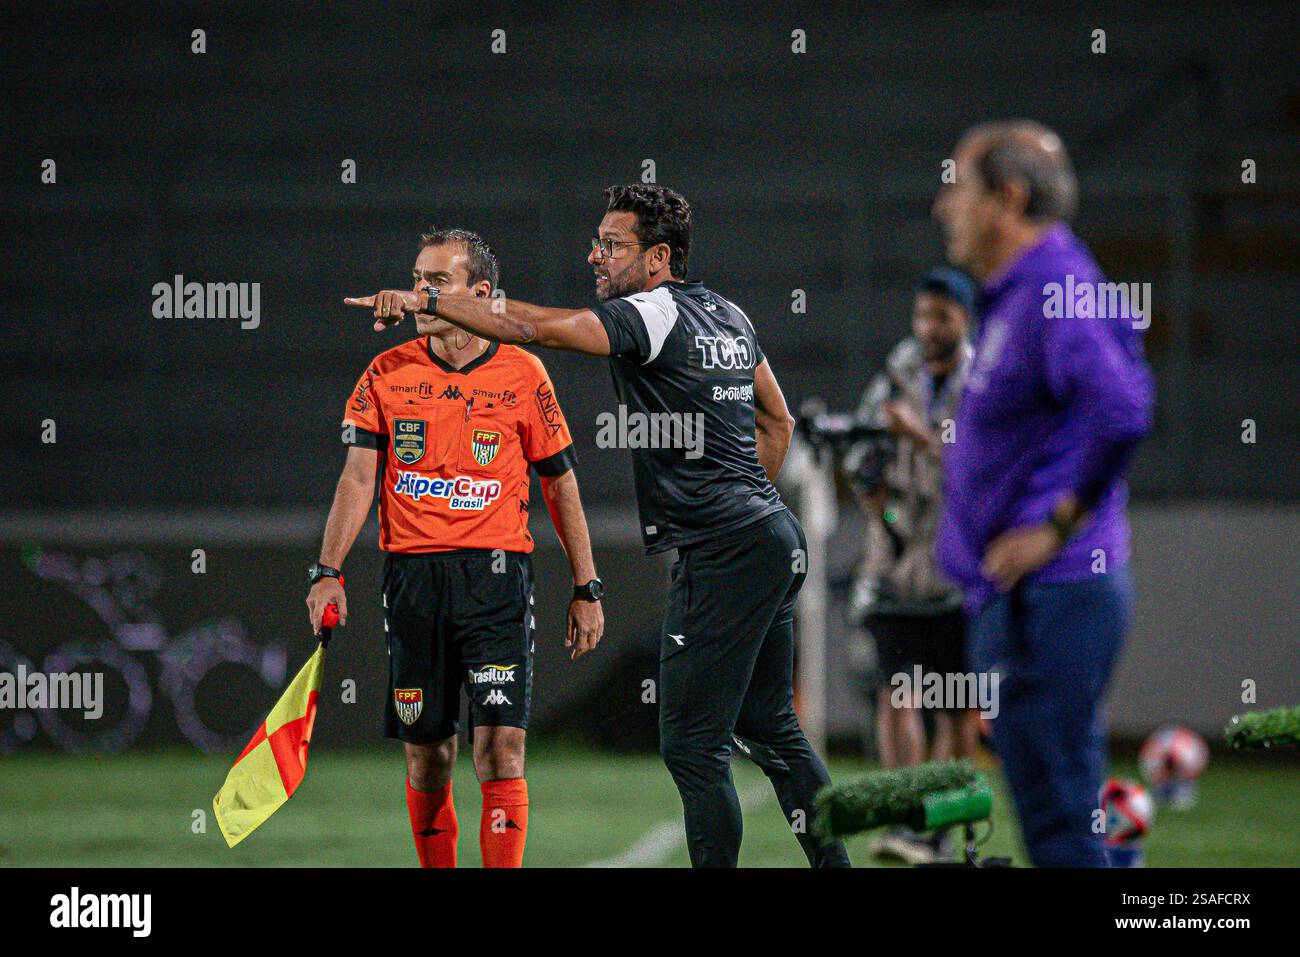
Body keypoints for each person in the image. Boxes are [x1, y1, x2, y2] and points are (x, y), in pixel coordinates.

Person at [345, 185, 850, 868]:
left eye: (611, 244)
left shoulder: (653, 311)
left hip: (727, 548)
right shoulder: (729, 314)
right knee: (771, 726)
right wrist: (744, 499)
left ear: (658, 257)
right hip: (772, 534)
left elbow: (535, 329)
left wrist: (428, 300)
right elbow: (778, 422)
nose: (595, 255)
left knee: (693, 746)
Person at [307, 228, 604, 868]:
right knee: (429, 753)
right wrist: (326, 571)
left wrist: (587, 585)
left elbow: (561, 482)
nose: (422, 292)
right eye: (418, 279)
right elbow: (358, 478)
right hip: (413, 582)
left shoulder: (524, 372)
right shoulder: (386, 373)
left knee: (500, 748)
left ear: (482, 294)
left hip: (496, 582)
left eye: (437, 282)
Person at [932, 121, 1155, 866]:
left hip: (1052, 592)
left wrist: (1056, 525)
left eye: (958, 187)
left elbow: (1123, 407)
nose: (942, 206)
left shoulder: (1055, 286)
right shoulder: (1023, 290)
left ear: (1008, 198)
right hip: (1027, 595)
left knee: (1060, 823)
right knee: (1070, 811)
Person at [848, 267, 980, 864]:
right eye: (922, 317)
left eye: (941, 318)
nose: (928, 329)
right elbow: (859, 452)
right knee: (896, 692)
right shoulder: (893, 380)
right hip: (896, 563)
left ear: (965, 320)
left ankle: (941, 826)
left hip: (960, 571)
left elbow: (982, 474)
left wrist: (922, 437)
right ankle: (904, 820)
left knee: (956, 704)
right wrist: (866, 479)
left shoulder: (983, 384)